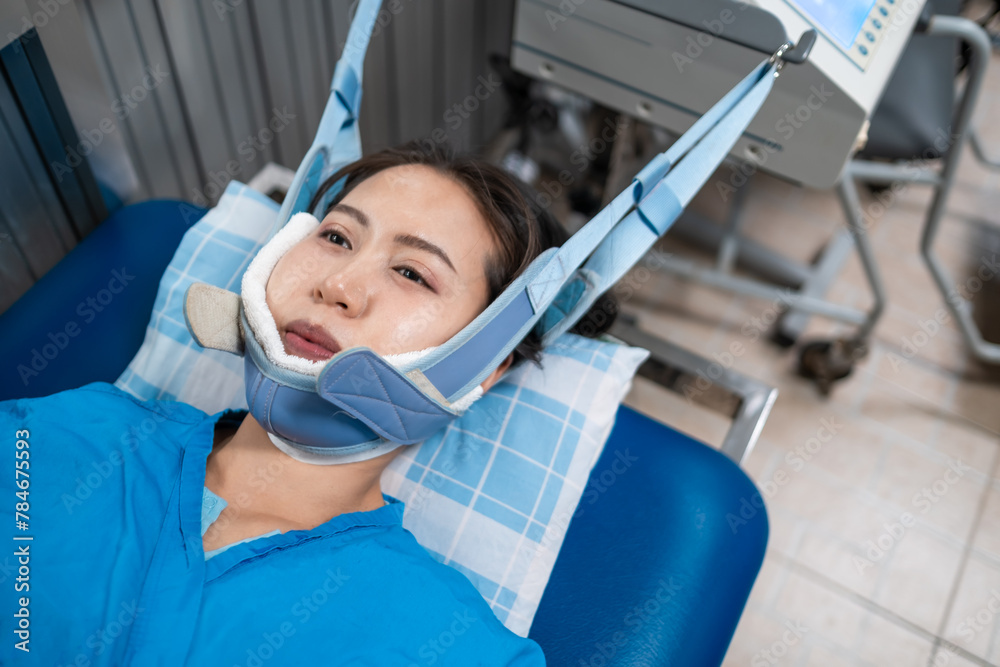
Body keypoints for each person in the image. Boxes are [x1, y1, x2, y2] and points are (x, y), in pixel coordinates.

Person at [0, 141, 615, 666]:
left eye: (412, 273)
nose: (337, 285)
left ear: (485, 365)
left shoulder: (455, 647)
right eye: (337, 236)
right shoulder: (67, 434)